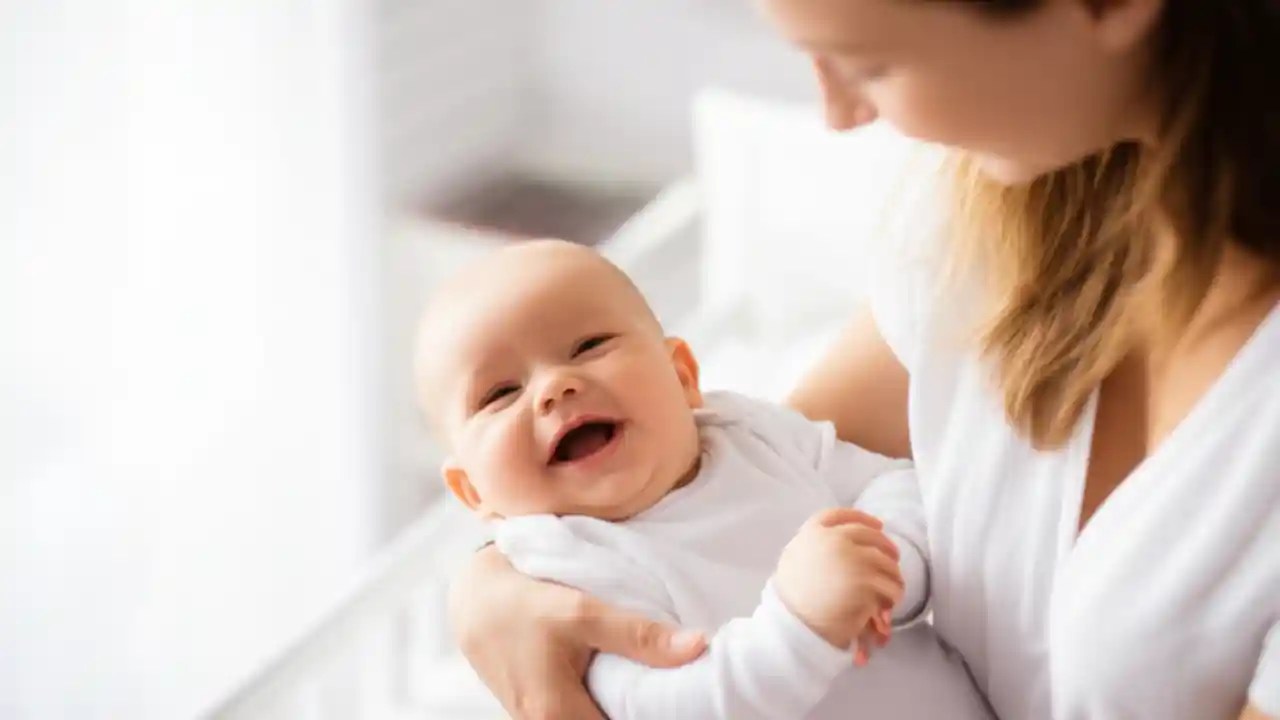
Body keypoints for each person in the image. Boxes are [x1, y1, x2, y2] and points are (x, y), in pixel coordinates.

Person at [448, 1, 1280, 718]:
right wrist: (498, 583)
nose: (839, 115)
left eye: (870, 65)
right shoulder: (982, 225)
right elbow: (723, 493)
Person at [415, 239, 992, 719]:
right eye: (500, 394)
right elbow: (667, 706)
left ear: (683, 374)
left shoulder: (751, 433)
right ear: (474, 493)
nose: (554, 386)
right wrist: (802, 626)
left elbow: (889, 480)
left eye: (589, 346)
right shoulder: (565, 571)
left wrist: (892, 564)